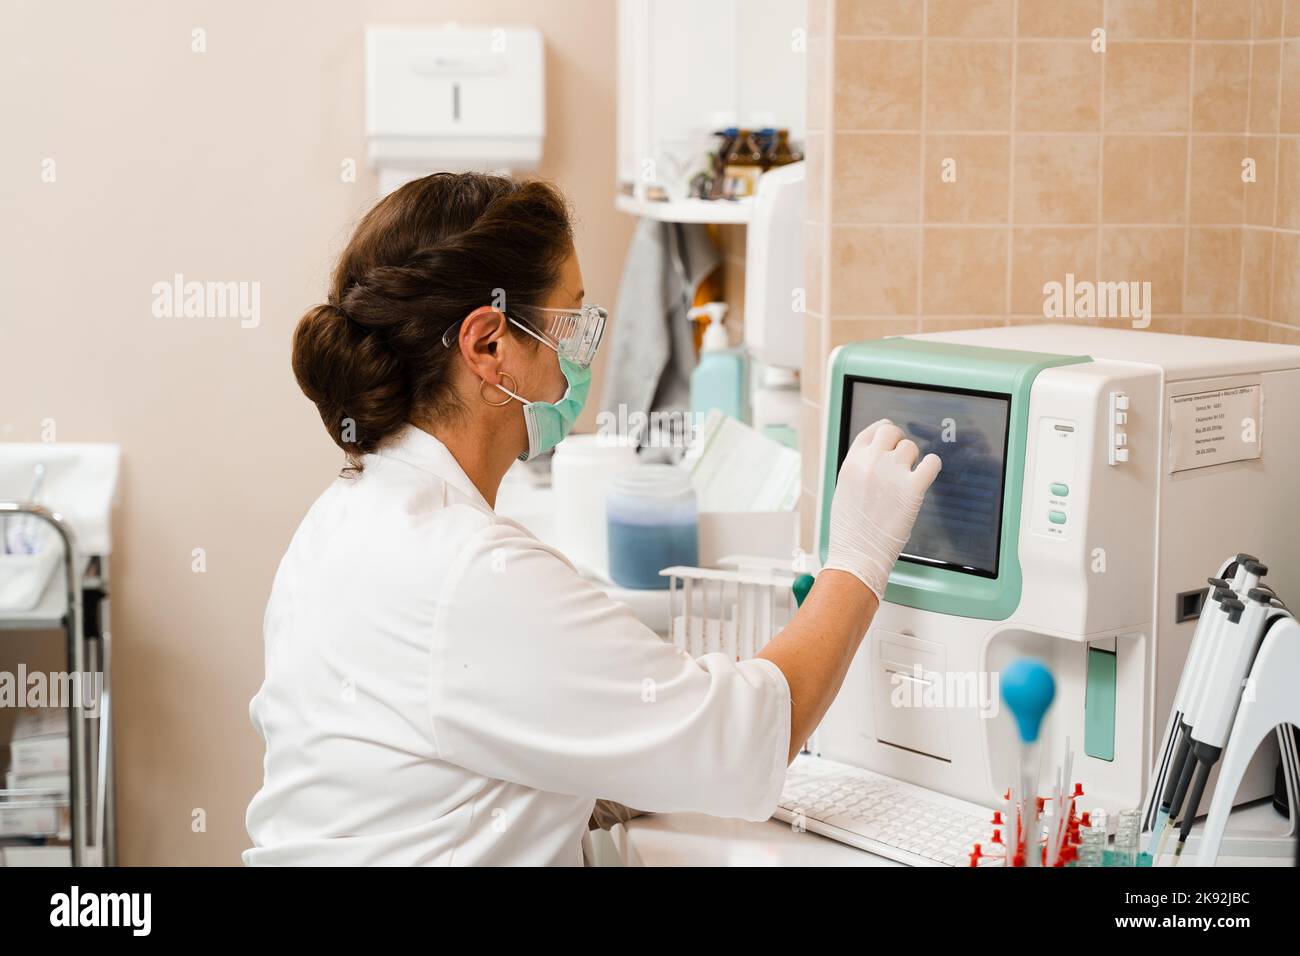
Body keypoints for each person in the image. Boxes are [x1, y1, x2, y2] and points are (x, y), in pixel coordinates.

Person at [243, 172, 941, 865]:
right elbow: (747, 734)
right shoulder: (472, 574)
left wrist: (625, 758)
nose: (576, 362)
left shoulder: (343, 517)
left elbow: (446, 764)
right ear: (490, 347)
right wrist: (858, 555)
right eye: (569, 326)